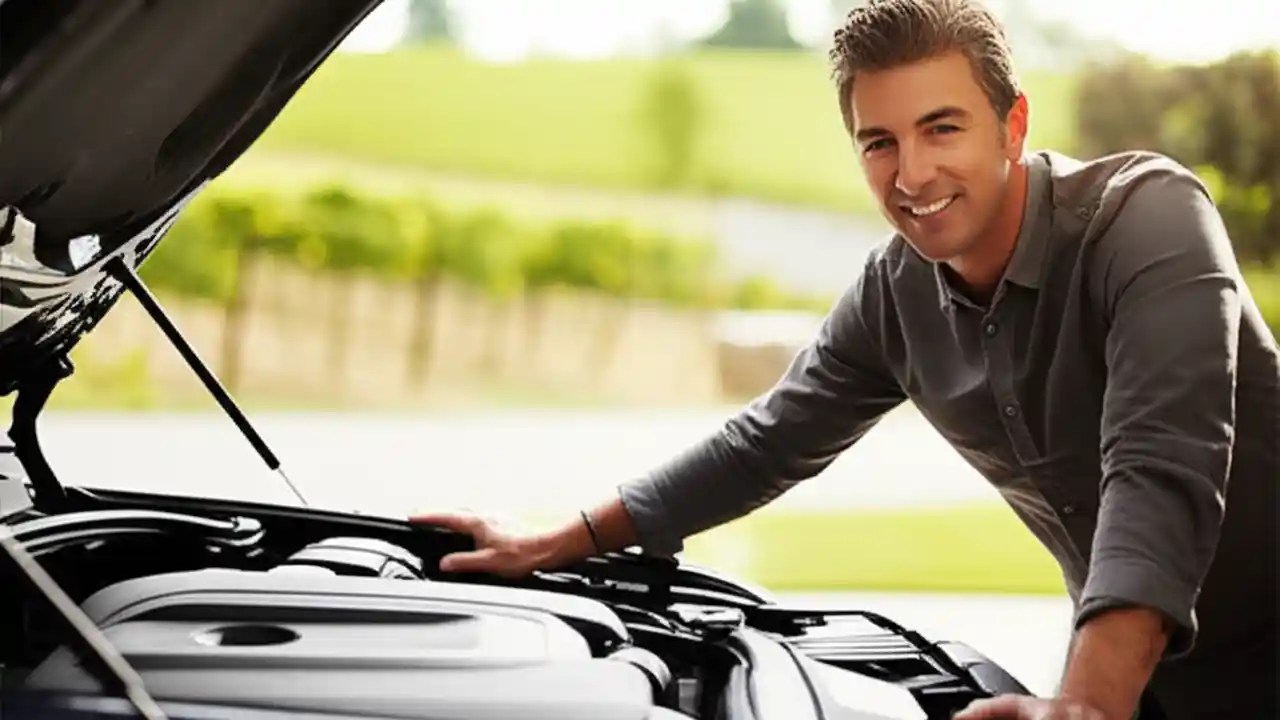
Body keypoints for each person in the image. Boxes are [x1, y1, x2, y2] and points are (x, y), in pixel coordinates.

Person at [411, 1, 1279, 718]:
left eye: (943, 127)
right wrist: (557, 541)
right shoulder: (894, 294)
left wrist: (1085, 705)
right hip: (1161, 677)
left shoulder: (1149, 218)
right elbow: (766, 441)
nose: (913, 172)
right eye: (880, 142)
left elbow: (1158, 464)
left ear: (1013, 122)